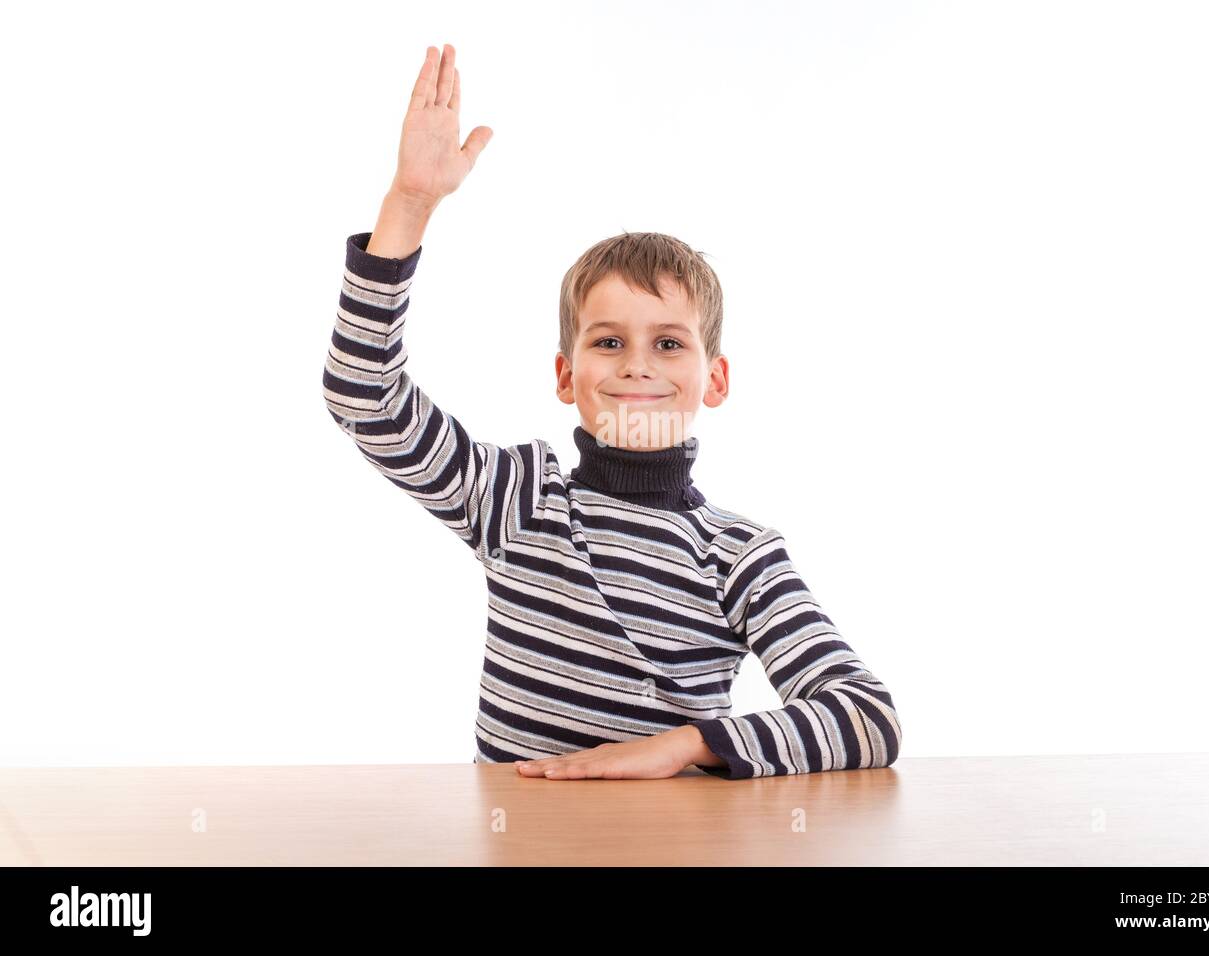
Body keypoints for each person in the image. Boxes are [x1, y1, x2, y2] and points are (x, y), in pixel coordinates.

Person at [321, 43, 901, 780]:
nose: (636, 365)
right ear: (567, 375)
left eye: (667, 343)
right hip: (520, 846)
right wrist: (410, 204)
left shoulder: (740, 556)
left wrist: (692, 743)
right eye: (607, 341)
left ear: (713, 379)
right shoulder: (517, 497)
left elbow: (867, 717)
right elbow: (362, 393)